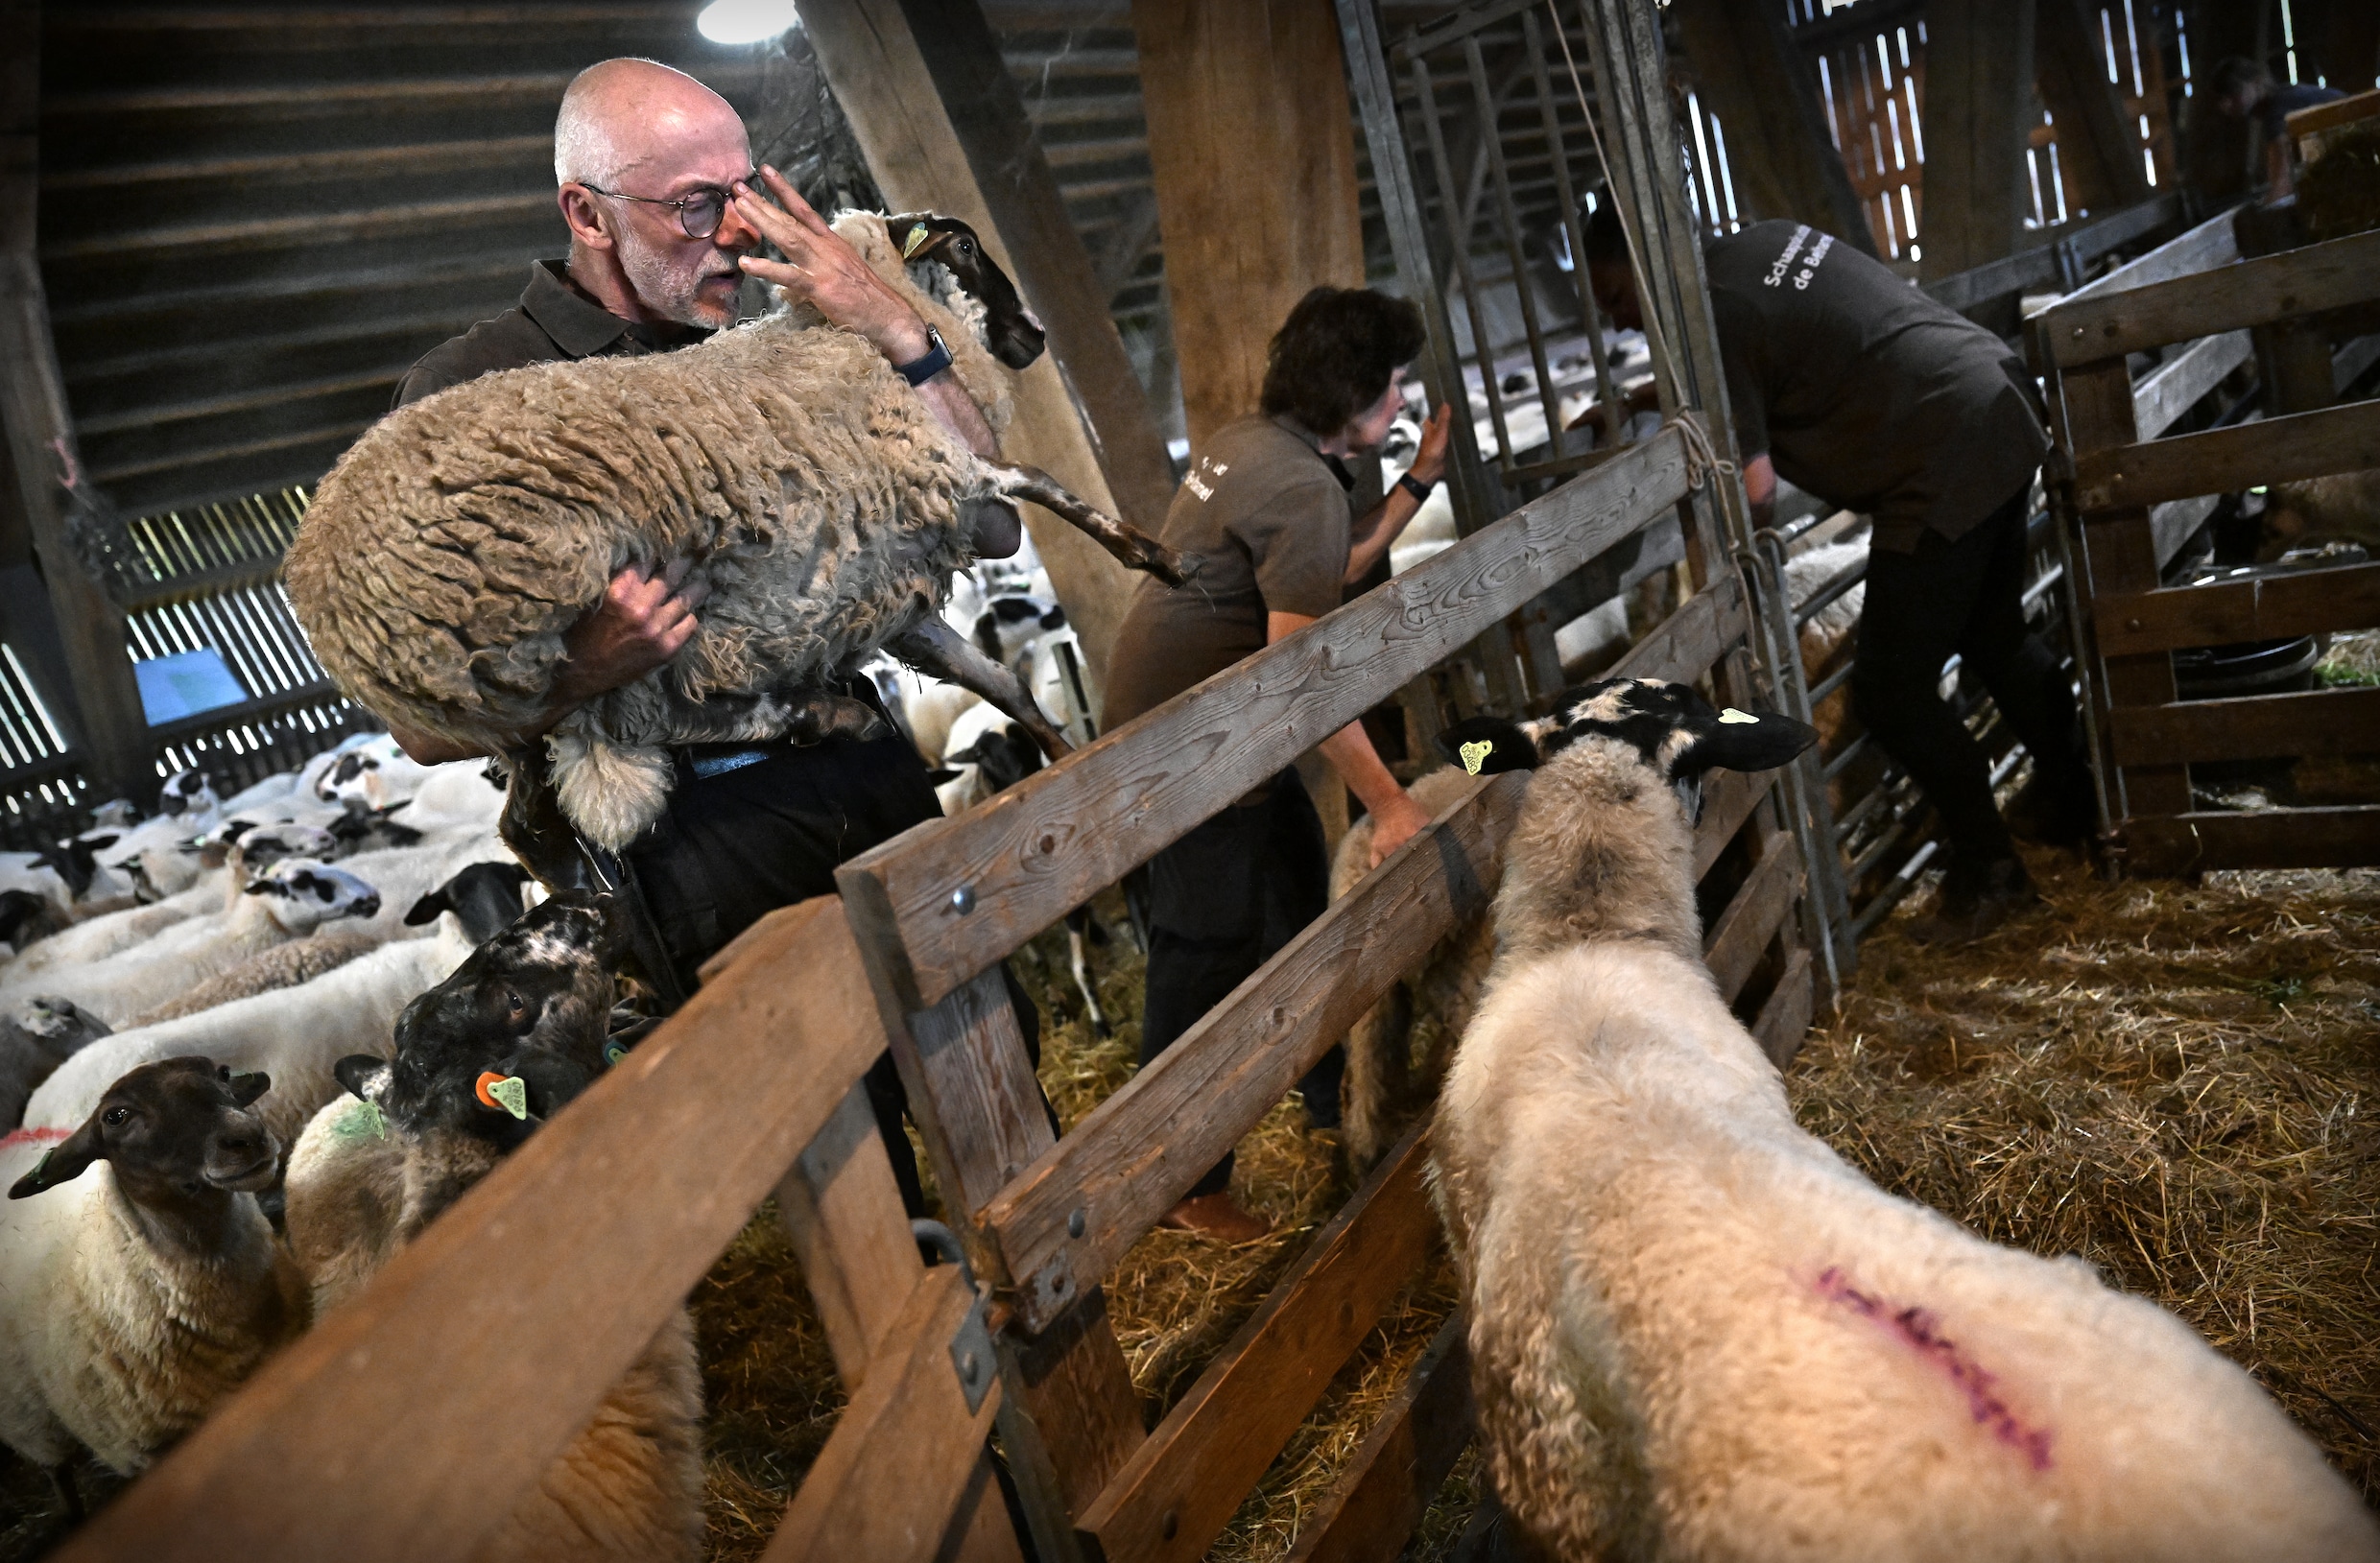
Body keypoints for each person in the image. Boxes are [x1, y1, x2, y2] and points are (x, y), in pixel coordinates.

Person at [377, 58, 1037, 1219]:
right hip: (692, 837)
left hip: (864, 764)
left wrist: (887, 322)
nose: (734, 233)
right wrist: (586, 666)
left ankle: (1058, 1290)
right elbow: (416, 726)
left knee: (995, 1058)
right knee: (845, 1157)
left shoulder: (777, 336)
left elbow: (986, 515)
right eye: (693, 206)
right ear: (587, 214)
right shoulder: (467, 400)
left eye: (743, 192)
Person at [1583, 207, 2095, 942]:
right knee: (1995, 635)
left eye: (1616, 298)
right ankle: (2075, 801)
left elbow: (1755, 487)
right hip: (1994, 396)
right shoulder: (1758, 243)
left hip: (1941, 454)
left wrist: (1733, 567)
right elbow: (1783, 347)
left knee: (1891, 692)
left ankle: (1994, 872)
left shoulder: (1715, 315)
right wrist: (1646, 398)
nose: (1621, 322)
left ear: (1645, 264)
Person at [1101, 287, 1453, 1242]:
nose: (1401, 398)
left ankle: (1334, 1100)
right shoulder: (1301, 485)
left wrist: (1418, 480)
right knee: (1202, 951)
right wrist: (1388, 803)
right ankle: (1180, 1182)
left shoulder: (1252, 446)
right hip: (1184, 756)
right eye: (1393, 383)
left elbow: (1327, 566)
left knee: (1300, 902)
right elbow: (1300, 671)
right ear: (1351, 390)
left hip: (1219, 738)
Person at [2209, 57, 2345, 200]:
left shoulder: (2277, 109)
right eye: (2221, 99)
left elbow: (2281, 183)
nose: (2226, 105)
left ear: (2257, 82)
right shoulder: (2282, 99)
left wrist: (2272, 200)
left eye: (2234, 92)